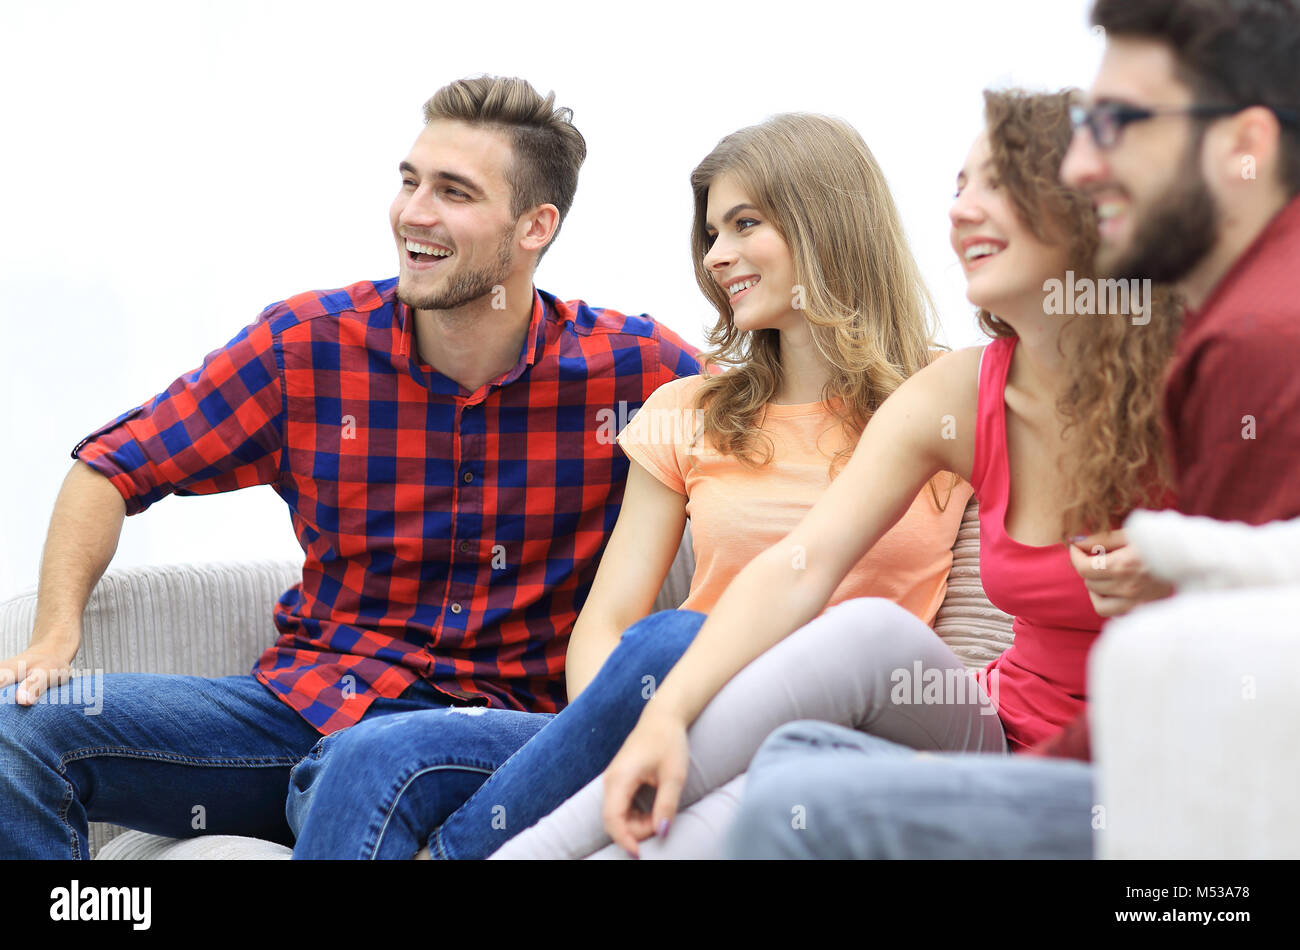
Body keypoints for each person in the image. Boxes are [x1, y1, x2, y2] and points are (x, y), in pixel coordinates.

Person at [0, 75, 700, 859]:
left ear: (535, 226)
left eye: (454, 192)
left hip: (502, 742)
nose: (414, 213)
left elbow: (769, 463)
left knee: (369, 764)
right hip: (304, 713)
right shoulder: (308, 348)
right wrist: (57, 631)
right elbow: (110, 468)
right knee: (20, 732)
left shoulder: (639, 373)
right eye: (409, 182)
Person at [284, 112, 977, 860]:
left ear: (826, 224)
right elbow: (606, 627)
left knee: (675, 638)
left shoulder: (946, 399)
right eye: (712, 234)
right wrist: (610, 730)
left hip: (829, 728)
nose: (718, 255)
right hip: (662, 713)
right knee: (371, 755)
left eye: (745, 225)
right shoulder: (690, 410)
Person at [728, 0, 1300, 859]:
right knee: (796, 760)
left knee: (795, 806)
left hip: (1194, 820)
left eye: (1118, 125)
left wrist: (1196, 580)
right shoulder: (1232, 322)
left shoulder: (1255, 339)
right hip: (1085, 755)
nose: (1087, 163)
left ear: (1244, 146)